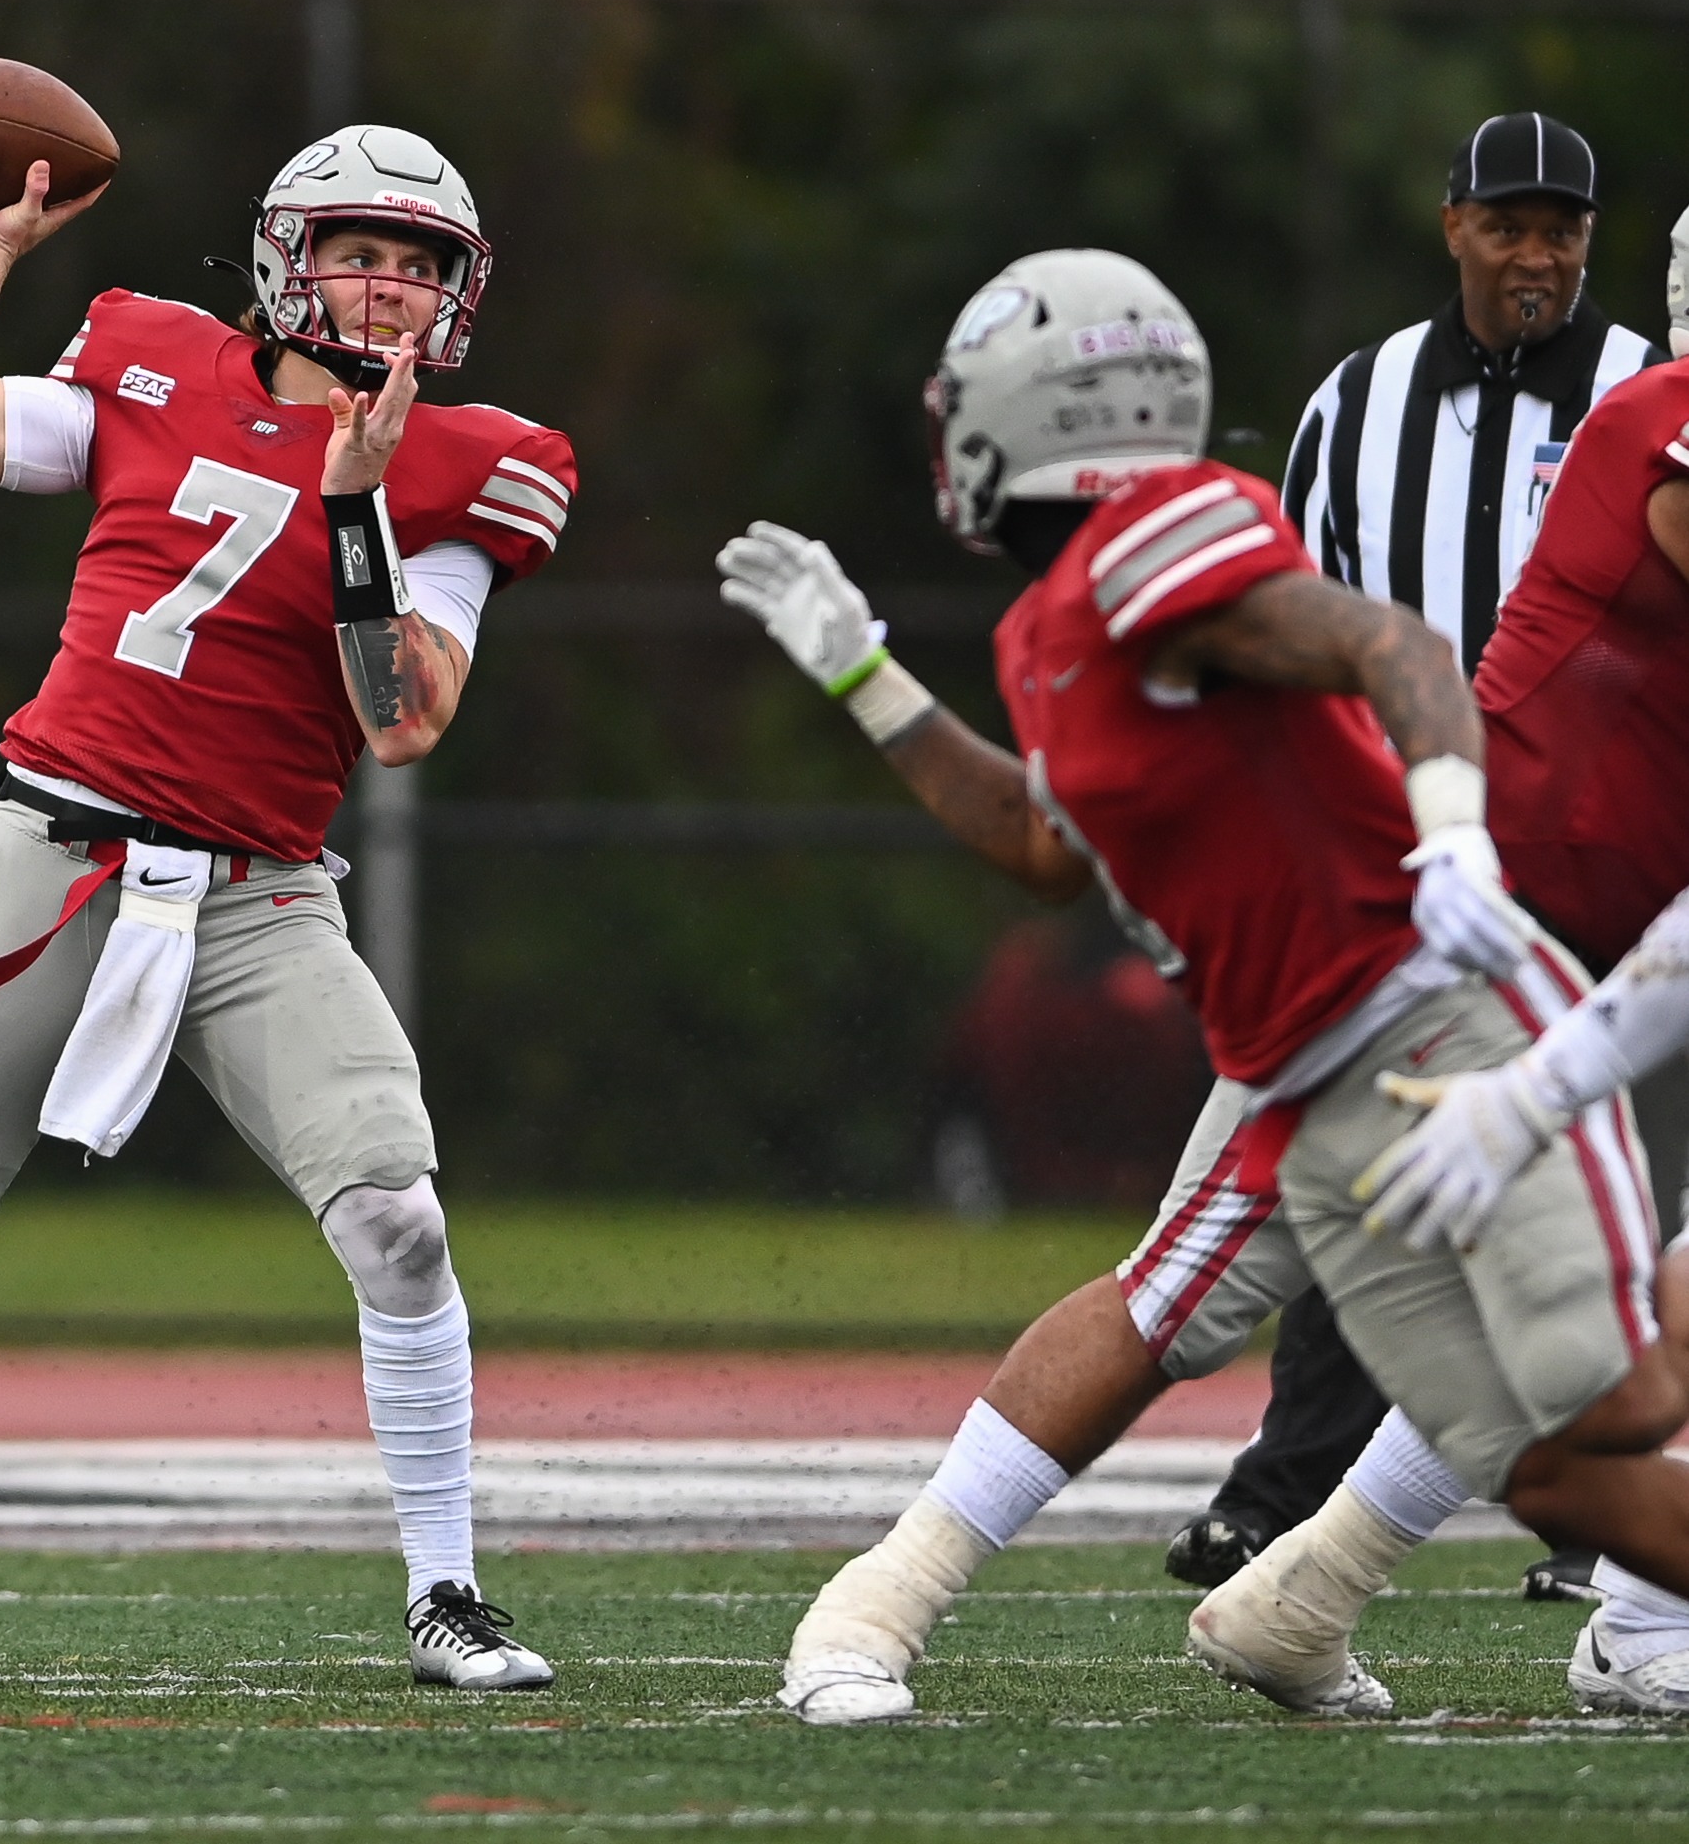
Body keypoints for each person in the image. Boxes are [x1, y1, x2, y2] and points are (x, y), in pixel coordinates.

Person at [0, 126, 575, 1691]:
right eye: (363, 252)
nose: (393, 288)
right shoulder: (152, 359)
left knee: (401, 1221)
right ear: (288, 258)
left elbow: (403, 719)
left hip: (258, 894)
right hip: (54, 852)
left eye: (423, 266)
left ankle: (446, 1589)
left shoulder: (474, 463)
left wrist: (355, 509)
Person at [719, 247, 1686, 1727]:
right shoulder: (1046, 627)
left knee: (1588, 1417)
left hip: (1419, 1003)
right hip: (1305, 1057)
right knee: (1503, 1429)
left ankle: (902, 1602)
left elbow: (1389, 640)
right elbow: (1049, 848)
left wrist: (1442, 827)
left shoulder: (1161, 531)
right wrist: (870, 681)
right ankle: (1164, 1606)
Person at [1181, 113, 1676, 1600]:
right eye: (1510, 222)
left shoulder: (1644, 387)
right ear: (1453, 223)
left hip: (1616, 834)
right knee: (1379, 1151)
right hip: (1414, 836)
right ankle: (1296, 1487)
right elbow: (1309, 607)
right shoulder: (1362, 396)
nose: (1538, 253)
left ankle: (1594, 1517)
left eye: (1564, 227)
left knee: (1602, 1167)